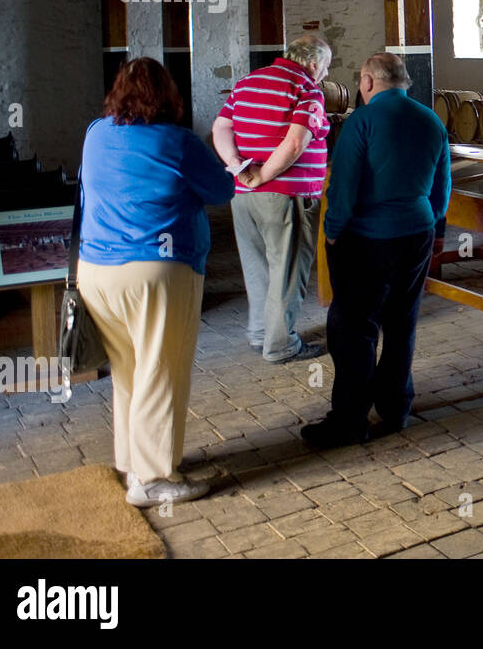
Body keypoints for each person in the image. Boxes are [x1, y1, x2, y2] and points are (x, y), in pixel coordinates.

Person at [76, 58, 234, 508]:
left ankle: (133, 462)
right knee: (161, 370)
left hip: (97, 270)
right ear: (169, 95)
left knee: (128, 371)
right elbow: (222, 193)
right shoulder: (178, 142)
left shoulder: (95, 133)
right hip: (157, 269)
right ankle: (156, 479)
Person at [302, 52, 451, 449]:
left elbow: (344, 187)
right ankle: (395, 407)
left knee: (353, 329)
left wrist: (332, 231)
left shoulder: (361, 122)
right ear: (405, 83)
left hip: (368, 237)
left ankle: (349, 421)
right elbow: (442, 186)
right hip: (416, 232)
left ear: (367, 82)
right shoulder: (431, 120)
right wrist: (431, 224)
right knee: (402, 322)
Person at [212, 35, 332, 363]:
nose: (324, 74)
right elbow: (295, 144)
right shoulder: (306, 89)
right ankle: (280, 344)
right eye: (325, 67)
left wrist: (238, 168)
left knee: (257, 266)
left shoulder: (248, 81)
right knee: (288, 269)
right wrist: (263, 175)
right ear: (312, 62)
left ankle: (261, 333)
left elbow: (220, 127)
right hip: (287, 196)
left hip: (243, 194)